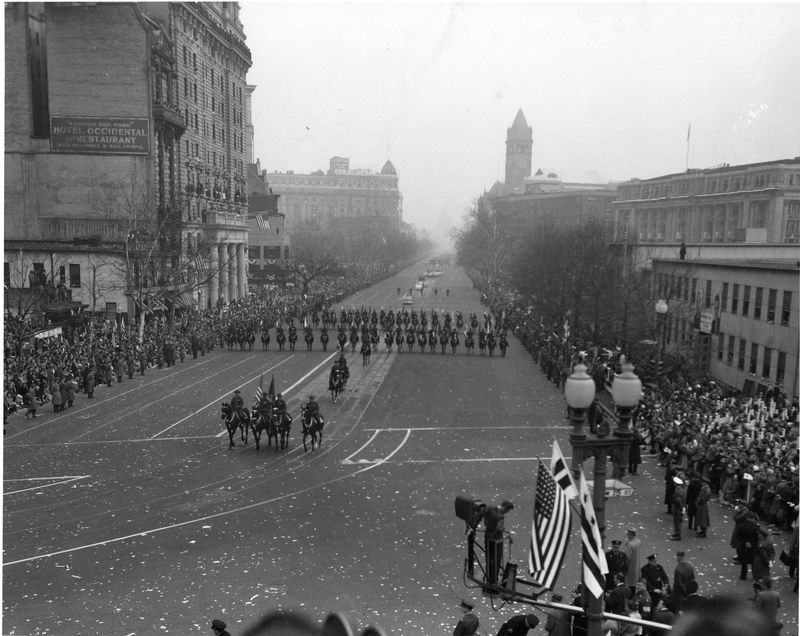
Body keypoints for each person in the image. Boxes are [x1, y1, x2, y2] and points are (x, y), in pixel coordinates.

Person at [624, 528, 643, 592]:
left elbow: (627, 558)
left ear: (630, 535)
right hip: (637, 570)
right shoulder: (638, 542)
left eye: (628, 534)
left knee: (629, 589)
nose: (627, 535)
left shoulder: (630, 545)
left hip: (630, 571)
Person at [672, 476, 687, 540]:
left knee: (677, 521)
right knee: (677, 521)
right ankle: (677, 533)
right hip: (679, 508)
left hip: (678, 509)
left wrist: (681, 509)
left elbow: (679, 501)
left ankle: (678, 535)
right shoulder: (681, 490)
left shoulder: (678, 491)